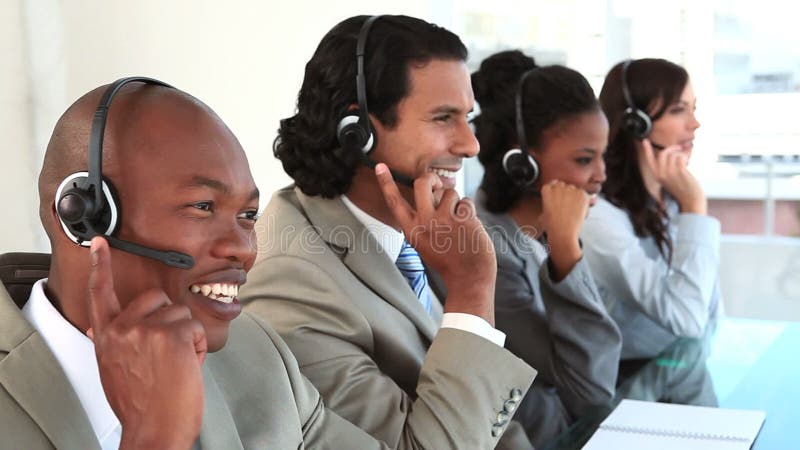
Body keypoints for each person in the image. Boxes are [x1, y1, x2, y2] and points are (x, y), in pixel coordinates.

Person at [0, 79, 407, 449]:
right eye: (202, 206)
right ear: (80, 216)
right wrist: (156, 437)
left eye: (247, 215)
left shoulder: (258, 354)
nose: (244, 249)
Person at [239, 15, 536, 449]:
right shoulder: (290, 281)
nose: (470, 144)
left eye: (467, 117)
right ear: (356, 131)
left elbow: (483, 416)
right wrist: (472, 288)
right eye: (443, 118)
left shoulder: (406, 230)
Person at [470, 50, 622, 447]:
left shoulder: (542, 230)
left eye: (601, 156)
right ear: (522, 162)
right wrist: (567, 252)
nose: (601, 175)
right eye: (585, 159)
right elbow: (591, 392)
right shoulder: (486, 248)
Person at [580, 58, 723, 359]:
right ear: (636, 124)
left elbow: (711, 311)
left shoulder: (669, 198)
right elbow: (688, 319)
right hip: (628, 384)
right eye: (678, 110)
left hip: (682, 370)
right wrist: (694, 208)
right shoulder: (598, 216)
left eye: (693, 108)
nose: (694, 124)